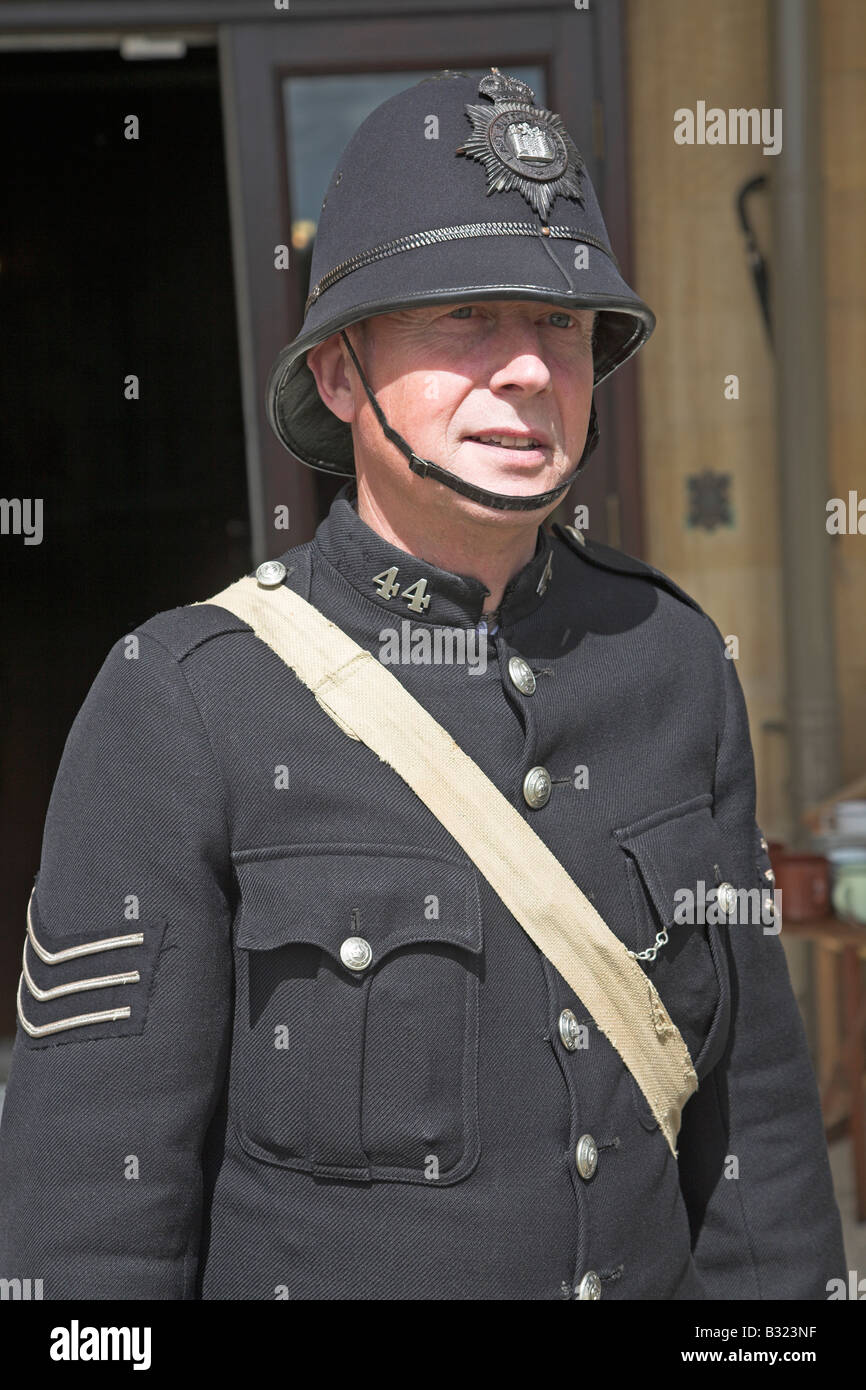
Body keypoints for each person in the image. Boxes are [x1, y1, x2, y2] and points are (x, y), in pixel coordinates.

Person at [0, 69, 845, 1300]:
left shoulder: (671, 662)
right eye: (463, 317)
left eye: (560, 325)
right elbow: (91, 1219)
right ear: (339, 376)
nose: (524, 369)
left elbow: (754, 1137)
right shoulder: (183, 702)